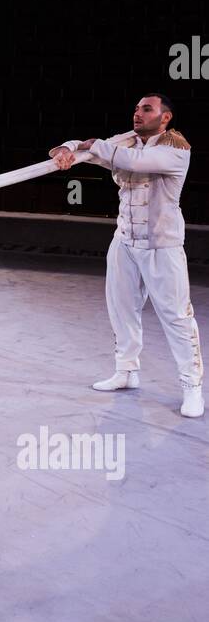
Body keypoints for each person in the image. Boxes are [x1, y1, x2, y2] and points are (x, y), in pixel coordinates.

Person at [50, 94, 204, 417]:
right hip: (125, 240)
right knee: (121, 308)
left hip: (162, 246)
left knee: (176, 316)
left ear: (165, 118)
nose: (137, 113)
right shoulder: (127, 141)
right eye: (136, 108)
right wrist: (67, 149)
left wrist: (91, 145)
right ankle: (127, 371)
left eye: (146, 109)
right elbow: (90, 149)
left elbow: (130, 161)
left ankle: (192, 387)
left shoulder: (177, 149)